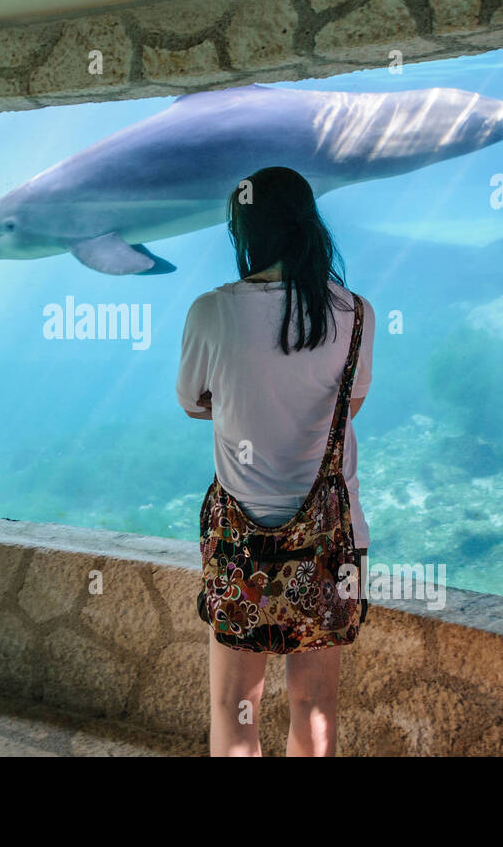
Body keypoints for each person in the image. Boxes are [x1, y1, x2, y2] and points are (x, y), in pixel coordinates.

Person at [176, 166, 375, 757]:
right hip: (333, 539)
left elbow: (193, 405)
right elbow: (350, 406)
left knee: (235, 705)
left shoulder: (212, 311)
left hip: (243, 541)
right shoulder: (356, 315)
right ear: (308, 223)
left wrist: (245, 401)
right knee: (315, 707)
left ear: (246, 230)